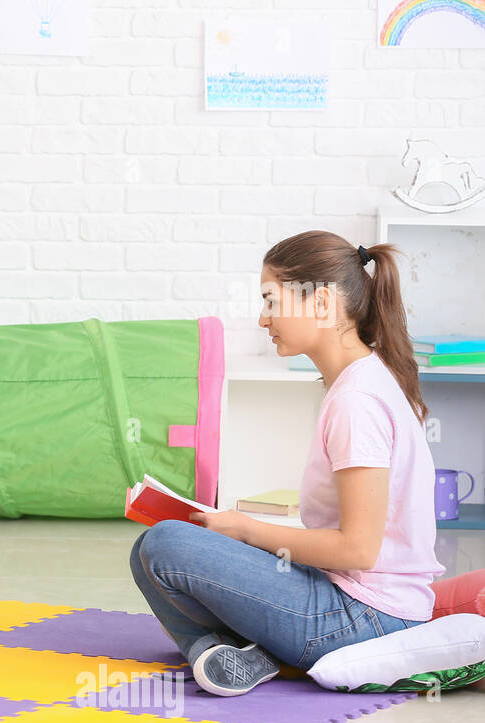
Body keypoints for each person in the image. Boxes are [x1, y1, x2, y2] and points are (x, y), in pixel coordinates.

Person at [130, 231, 444, 696]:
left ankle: (227, 650)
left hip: (369, 619)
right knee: (146, 552)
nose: (262, 318)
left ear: (321, 303)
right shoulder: (360, 381)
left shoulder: (357, 401)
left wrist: (247, 531)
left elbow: (360, 551)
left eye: (271, 301)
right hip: (351, 598)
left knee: (165, 544)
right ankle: (240, 655)